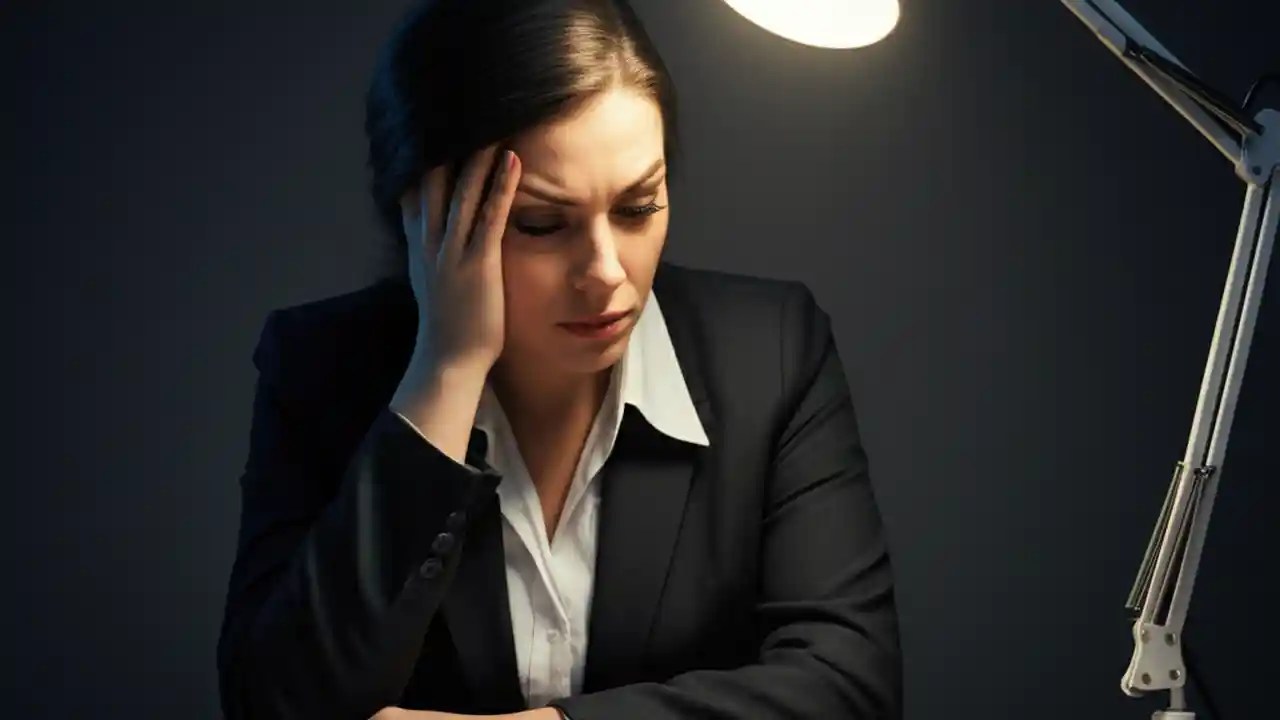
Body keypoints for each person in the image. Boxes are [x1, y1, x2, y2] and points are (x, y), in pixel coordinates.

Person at [215, 0, 903, 718]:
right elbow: (276, 703)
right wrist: (446, 370)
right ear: (425, 212)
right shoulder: (321, 370)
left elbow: (852, 689)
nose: (607, 271)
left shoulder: (773, 353)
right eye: (543, 224)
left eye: (638, 207)